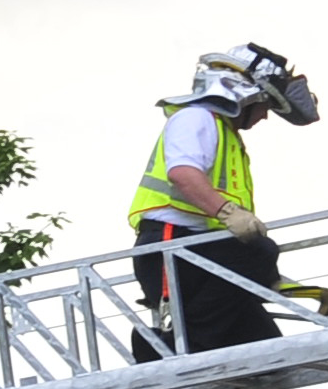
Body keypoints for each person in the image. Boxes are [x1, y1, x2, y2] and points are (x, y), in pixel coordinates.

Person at [125, 45, 317, 357]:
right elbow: (183, 173)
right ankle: (163, 347)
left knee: (269, 351)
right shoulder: (196, 118)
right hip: (172, 246)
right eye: (264, 104)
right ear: (244, 95)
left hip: (198, 249)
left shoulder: (223, 132)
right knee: (258, 253)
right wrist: (227, 212)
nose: (265, 115)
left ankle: (161, 362)